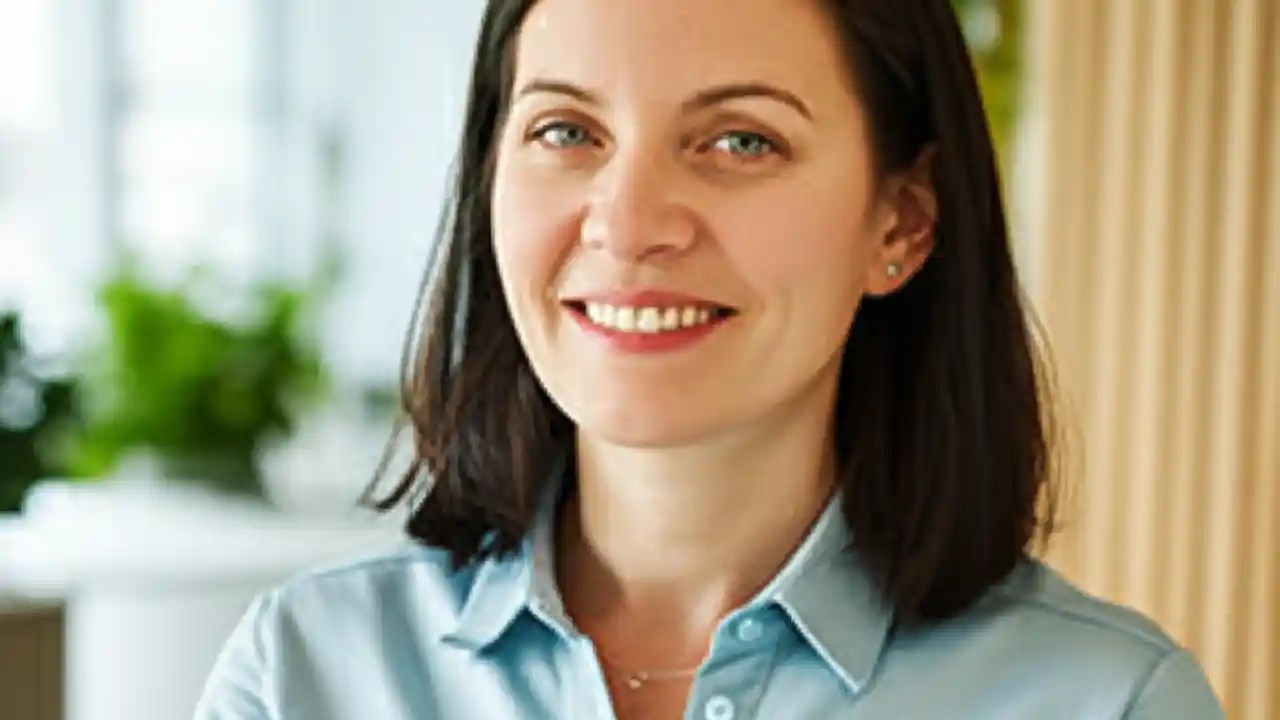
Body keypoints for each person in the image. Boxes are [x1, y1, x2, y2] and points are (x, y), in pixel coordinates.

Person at [196, 0, 1226, 718]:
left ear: (900, 224)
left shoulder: (1104, 702)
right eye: (565, 130)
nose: (630, 224)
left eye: (740, 142)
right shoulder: (303, 673)